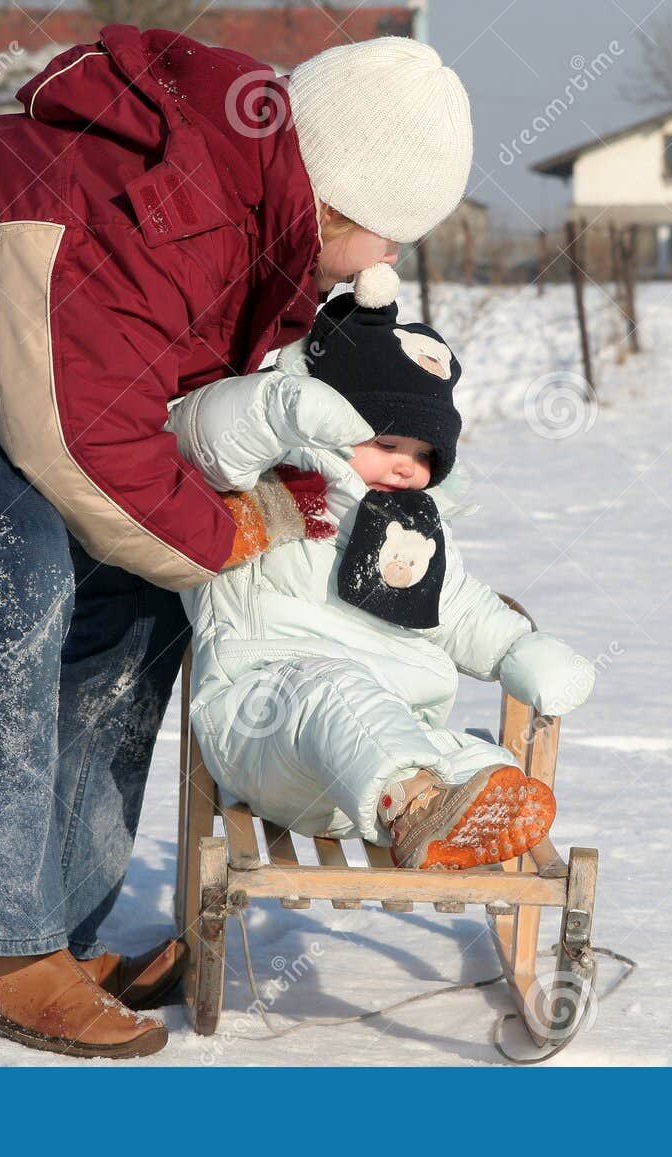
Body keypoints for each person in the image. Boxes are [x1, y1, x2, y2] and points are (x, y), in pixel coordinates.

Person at [0, 26, 473, 1058]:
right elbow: (77, 437)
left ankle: (53, 933)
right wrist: (226, 530)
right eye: (394, 236)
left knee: (132, 585)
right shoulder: (170, 208)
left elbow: (159, 400)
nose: (390, 261)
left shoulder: (250, 218)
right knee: (18, 554)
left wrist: (270, 489)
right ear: (343, 202)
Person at [168, 275, 595, 870]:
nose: (406, 468)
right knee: (335, 691)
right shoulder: (264, 487)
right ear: (329, 425)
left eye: (424, 455)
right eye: (389, 444)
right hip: (266, 725)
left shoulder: (411, 528)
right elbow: (198, 435)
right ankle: (419, 806)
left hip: (390, 743)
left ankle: (461, 807)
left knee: (469, 755)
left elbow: (456, 604)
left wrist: (516, 649)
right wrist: (277, 405)